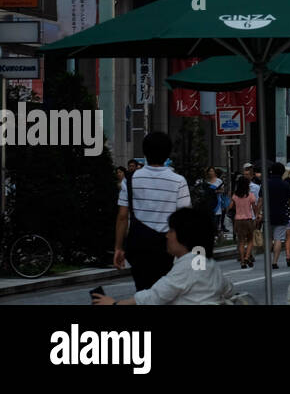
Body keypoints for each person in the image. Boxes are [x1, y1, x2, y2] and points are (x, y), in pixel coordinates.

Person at [94, 208, 234, 305]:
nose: (167, 235)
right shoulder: (206, 263)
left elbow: (155, 296)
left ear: (185, 235)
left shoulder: (189, 265)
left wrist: (115, 303)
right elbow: (229, 289)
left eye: (171, 230)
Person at [114, 131, 191, 290]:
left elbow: (122, 217)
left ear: (145, 152)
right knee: (165, 292)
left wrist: (118, 247)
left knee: (143, 290)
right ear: (168, 153)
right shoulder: (178, 181)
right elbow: (184, 219)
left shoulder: (130, 180)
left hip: (138, 244)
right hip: (166, 247)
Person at [230, 175, 259, 269]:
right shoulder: (250, 195)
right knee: (250, 240)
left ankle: (242, 261)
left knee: (241, 241)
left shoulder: (235, 196)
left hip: (238, 220)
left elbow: (230, 207)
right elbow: (254, 207)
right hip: (248, 219)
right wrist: (257, 216)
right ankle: (247, 257)